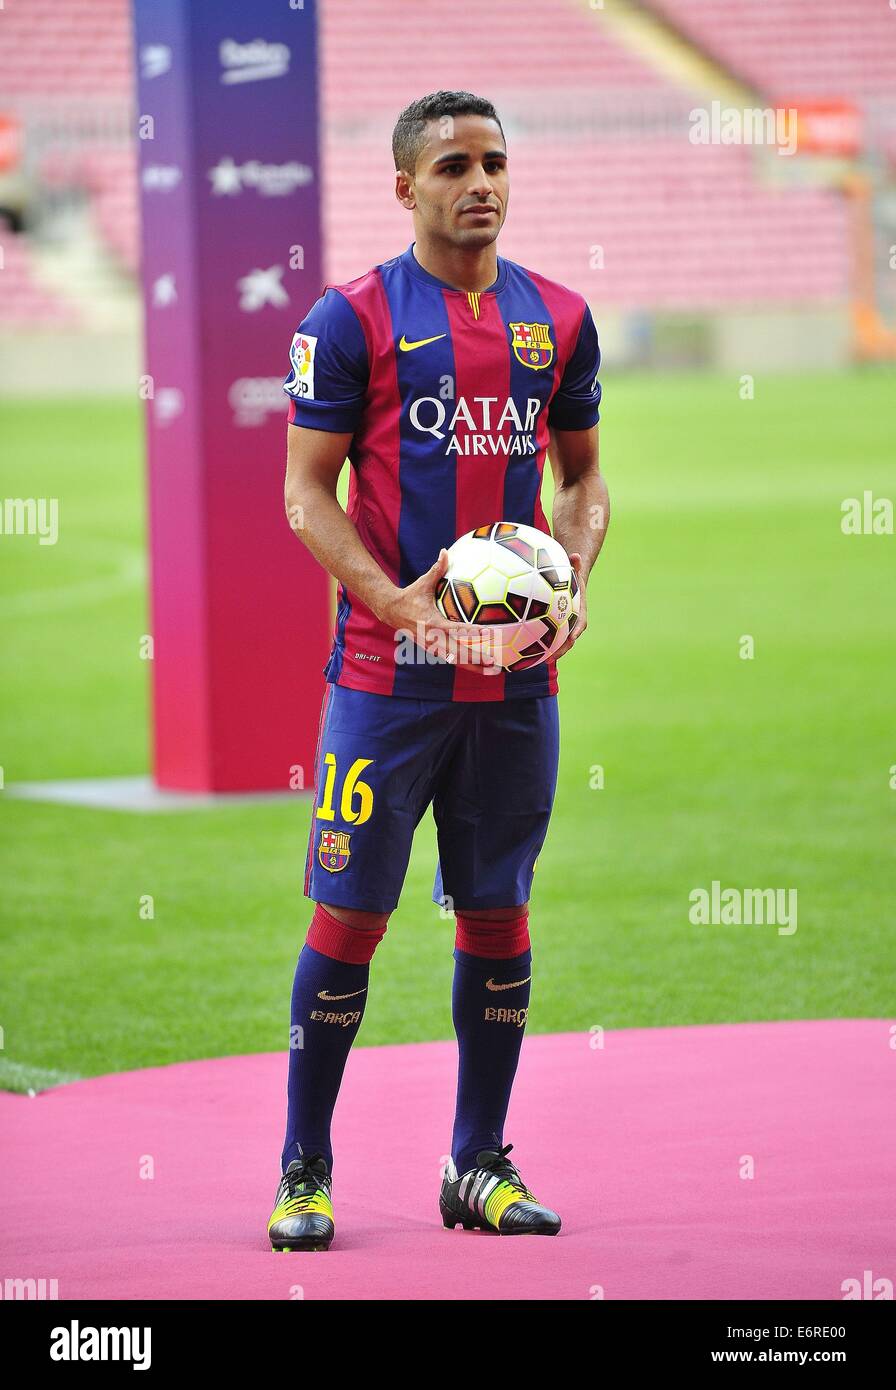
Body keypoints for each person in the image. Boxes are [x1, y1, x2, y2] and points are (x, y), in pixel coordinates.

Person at [268, 90, 609, 1251]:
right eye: (453, 164)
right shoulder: (351, 316)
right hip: (383, 681)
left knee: (499, 913)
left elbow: (583, 481)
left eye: (495, 162)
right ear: (404, 185)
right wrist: (396, 603)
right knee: (349, 917)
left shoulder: (558, 318)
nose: (480, 181)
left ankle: (477, 1163)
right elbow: (304, 491)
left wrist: (574, 567)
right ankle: (303, 1170)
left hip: (513, 687)